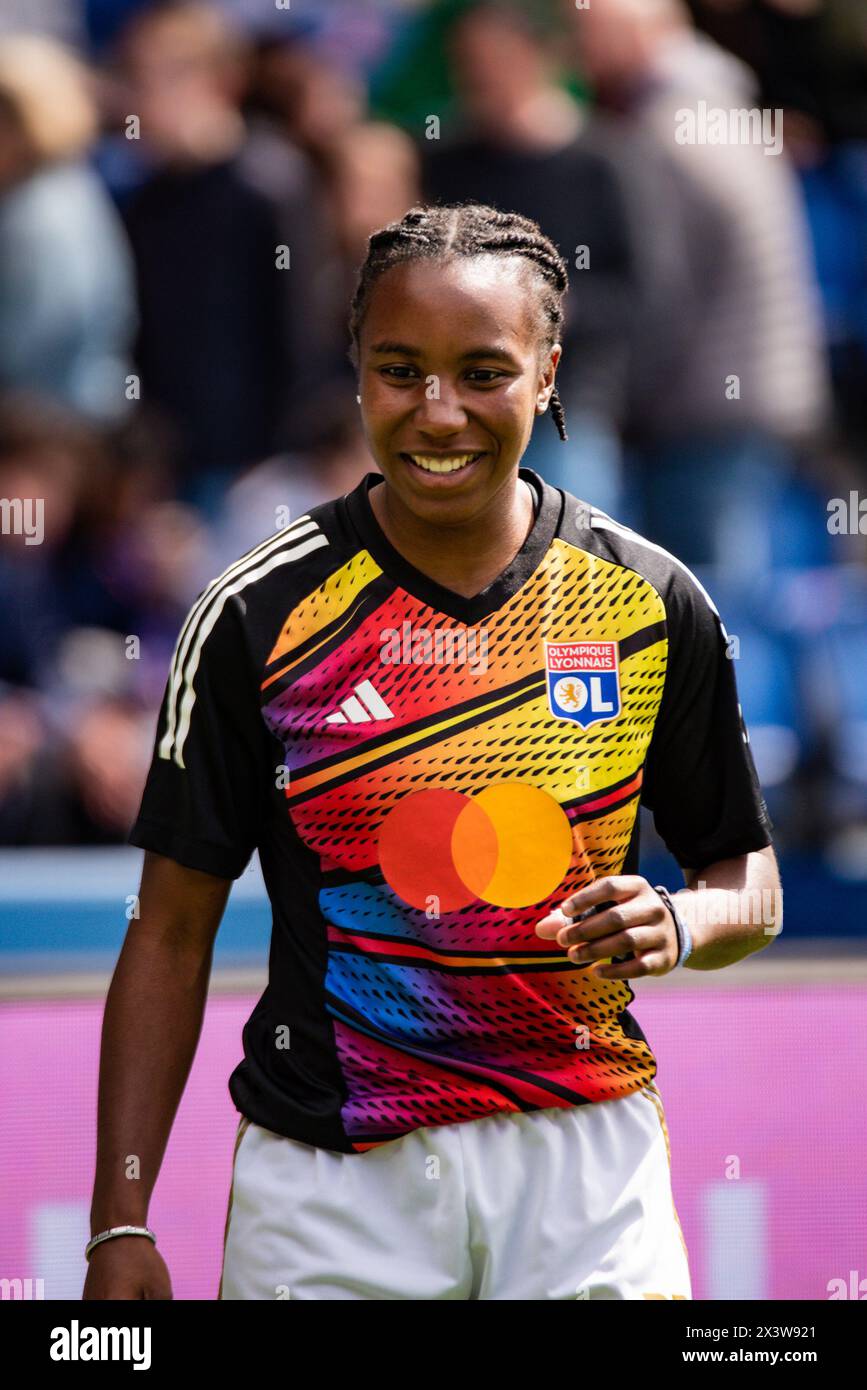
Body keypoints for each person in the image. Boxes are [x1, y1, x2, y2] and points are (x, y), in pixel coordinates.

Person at [85, 202, 781, 1301]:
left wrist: (686, 918)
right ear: (357, 372)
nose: (439, 412)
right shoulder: (255, 613)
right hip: (329, 1181)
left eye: (483, 371)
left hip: (584, 1167)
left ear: (548, 374)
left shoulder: (649, 599)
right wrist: (118, 1219)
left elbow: (750, 879)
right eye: (400, 370)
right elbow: (170, 930)